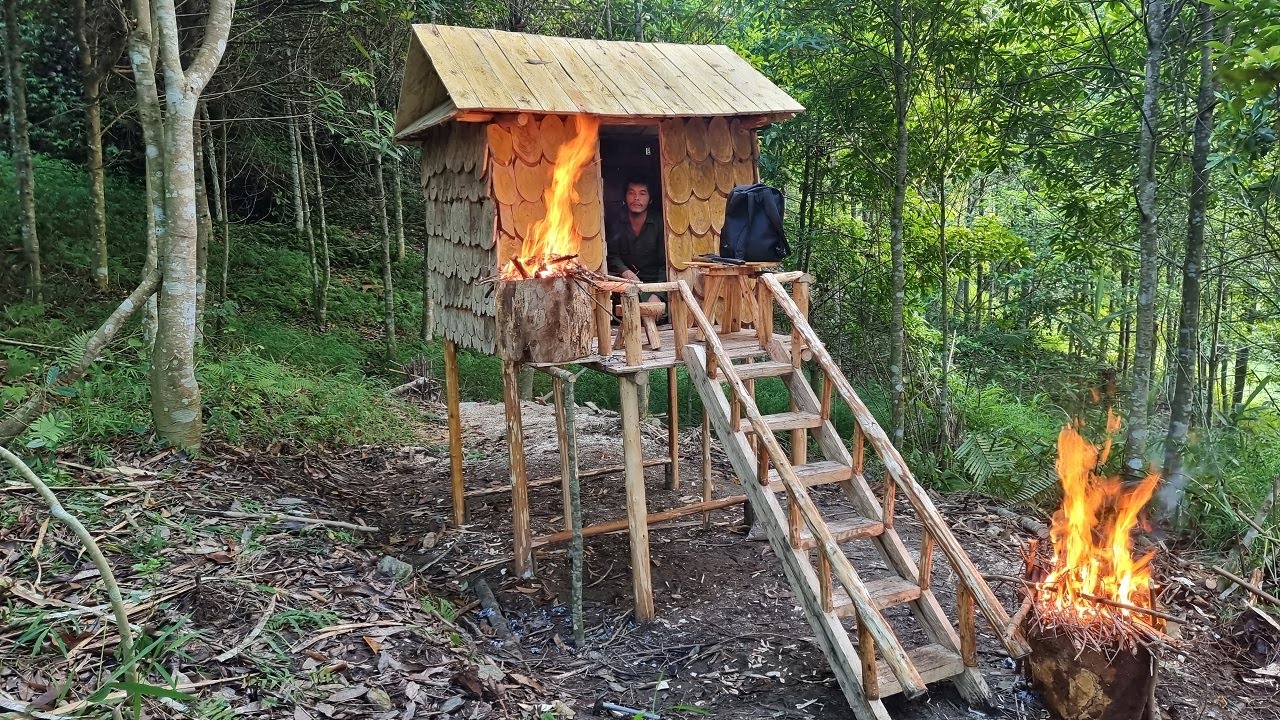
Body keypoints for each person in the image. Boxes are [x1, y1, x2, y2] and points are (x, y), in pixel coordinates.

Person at [606, 178, 666, 304]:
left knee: (657, 311)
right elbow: (612, 256)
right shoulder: (617, 222)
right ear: (625, 197)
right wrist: (625, 272)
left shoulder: (659, 223)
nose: (636, 198)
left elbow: (665, 264)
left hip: (653, 285)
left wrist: (658, 294)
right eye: (631, 193)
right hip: (625, 284)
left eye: (642, 193)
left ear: (650, 199)